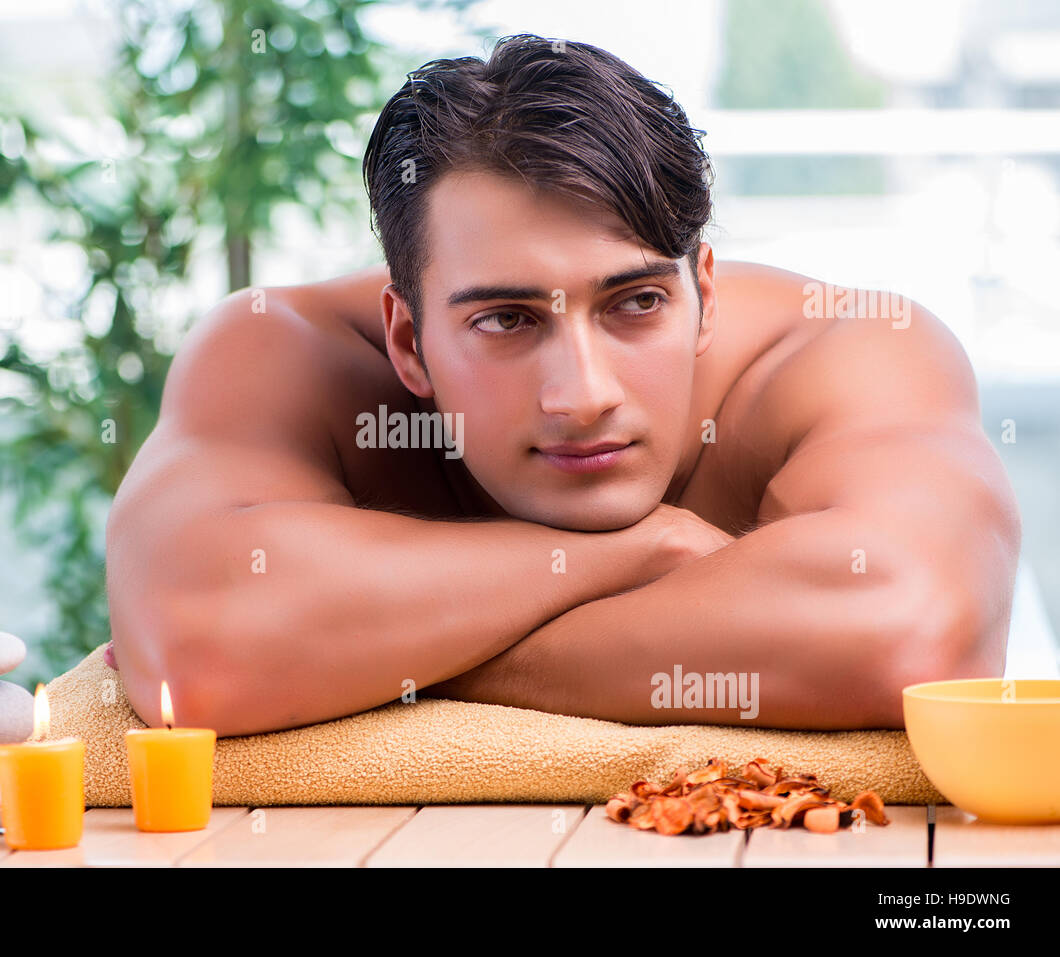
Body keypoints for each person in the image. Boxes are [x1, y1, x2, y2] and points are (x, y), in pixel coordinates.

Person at [104, 35, 1020, 737]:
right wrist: (637, 551)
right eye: (506, 320)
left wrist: (366, 659)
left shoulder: (845, 346)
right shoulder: (283, 348)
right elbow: (201, 648)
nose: (581, 395)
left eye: (636, 302)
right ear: (408, 340)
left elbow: (909, 631)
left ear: (705, 295)